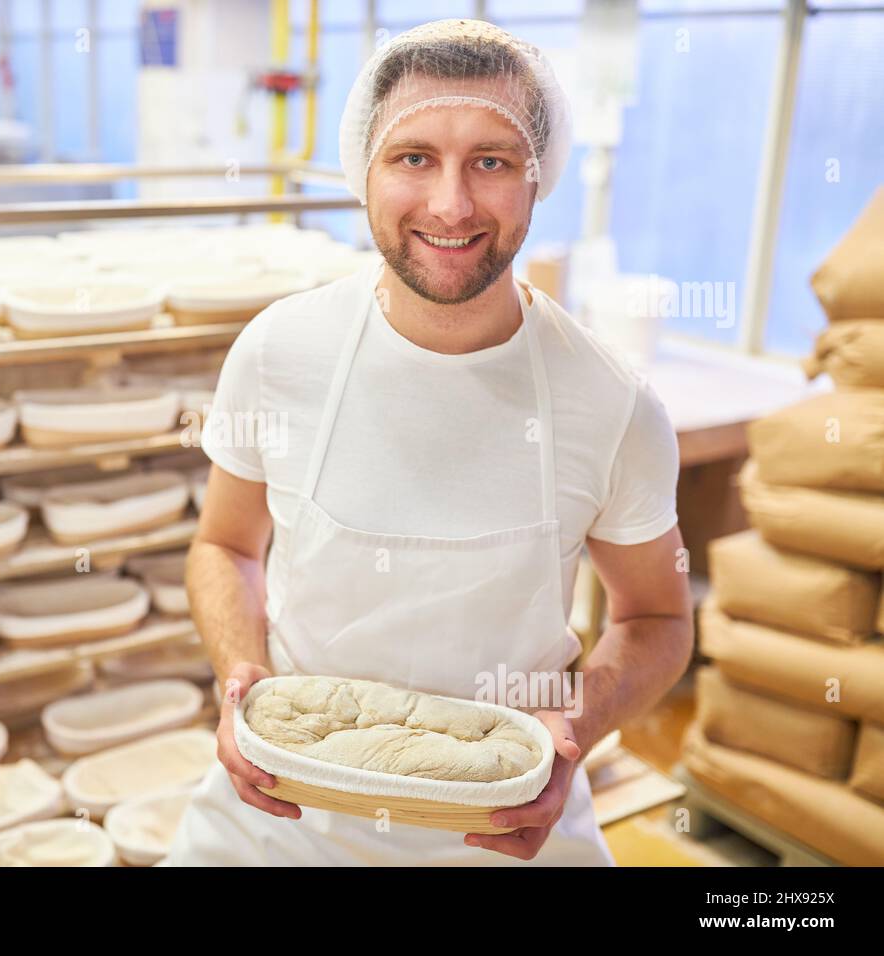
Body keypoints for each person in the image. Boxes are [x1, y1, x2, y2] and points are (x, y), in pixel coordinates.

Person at [163, 19, 694, 866]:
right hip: (282, 808)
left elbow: (659, 616)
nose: (451, 204)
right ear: (363, 172)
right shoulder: (278, 352)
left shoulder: (612, 401)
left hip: (505, 820)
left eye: (491, 160)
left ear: (537, 179)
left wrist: (571, 733)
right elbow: (225, 546)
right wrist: (240, 676)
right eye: (414, 158)